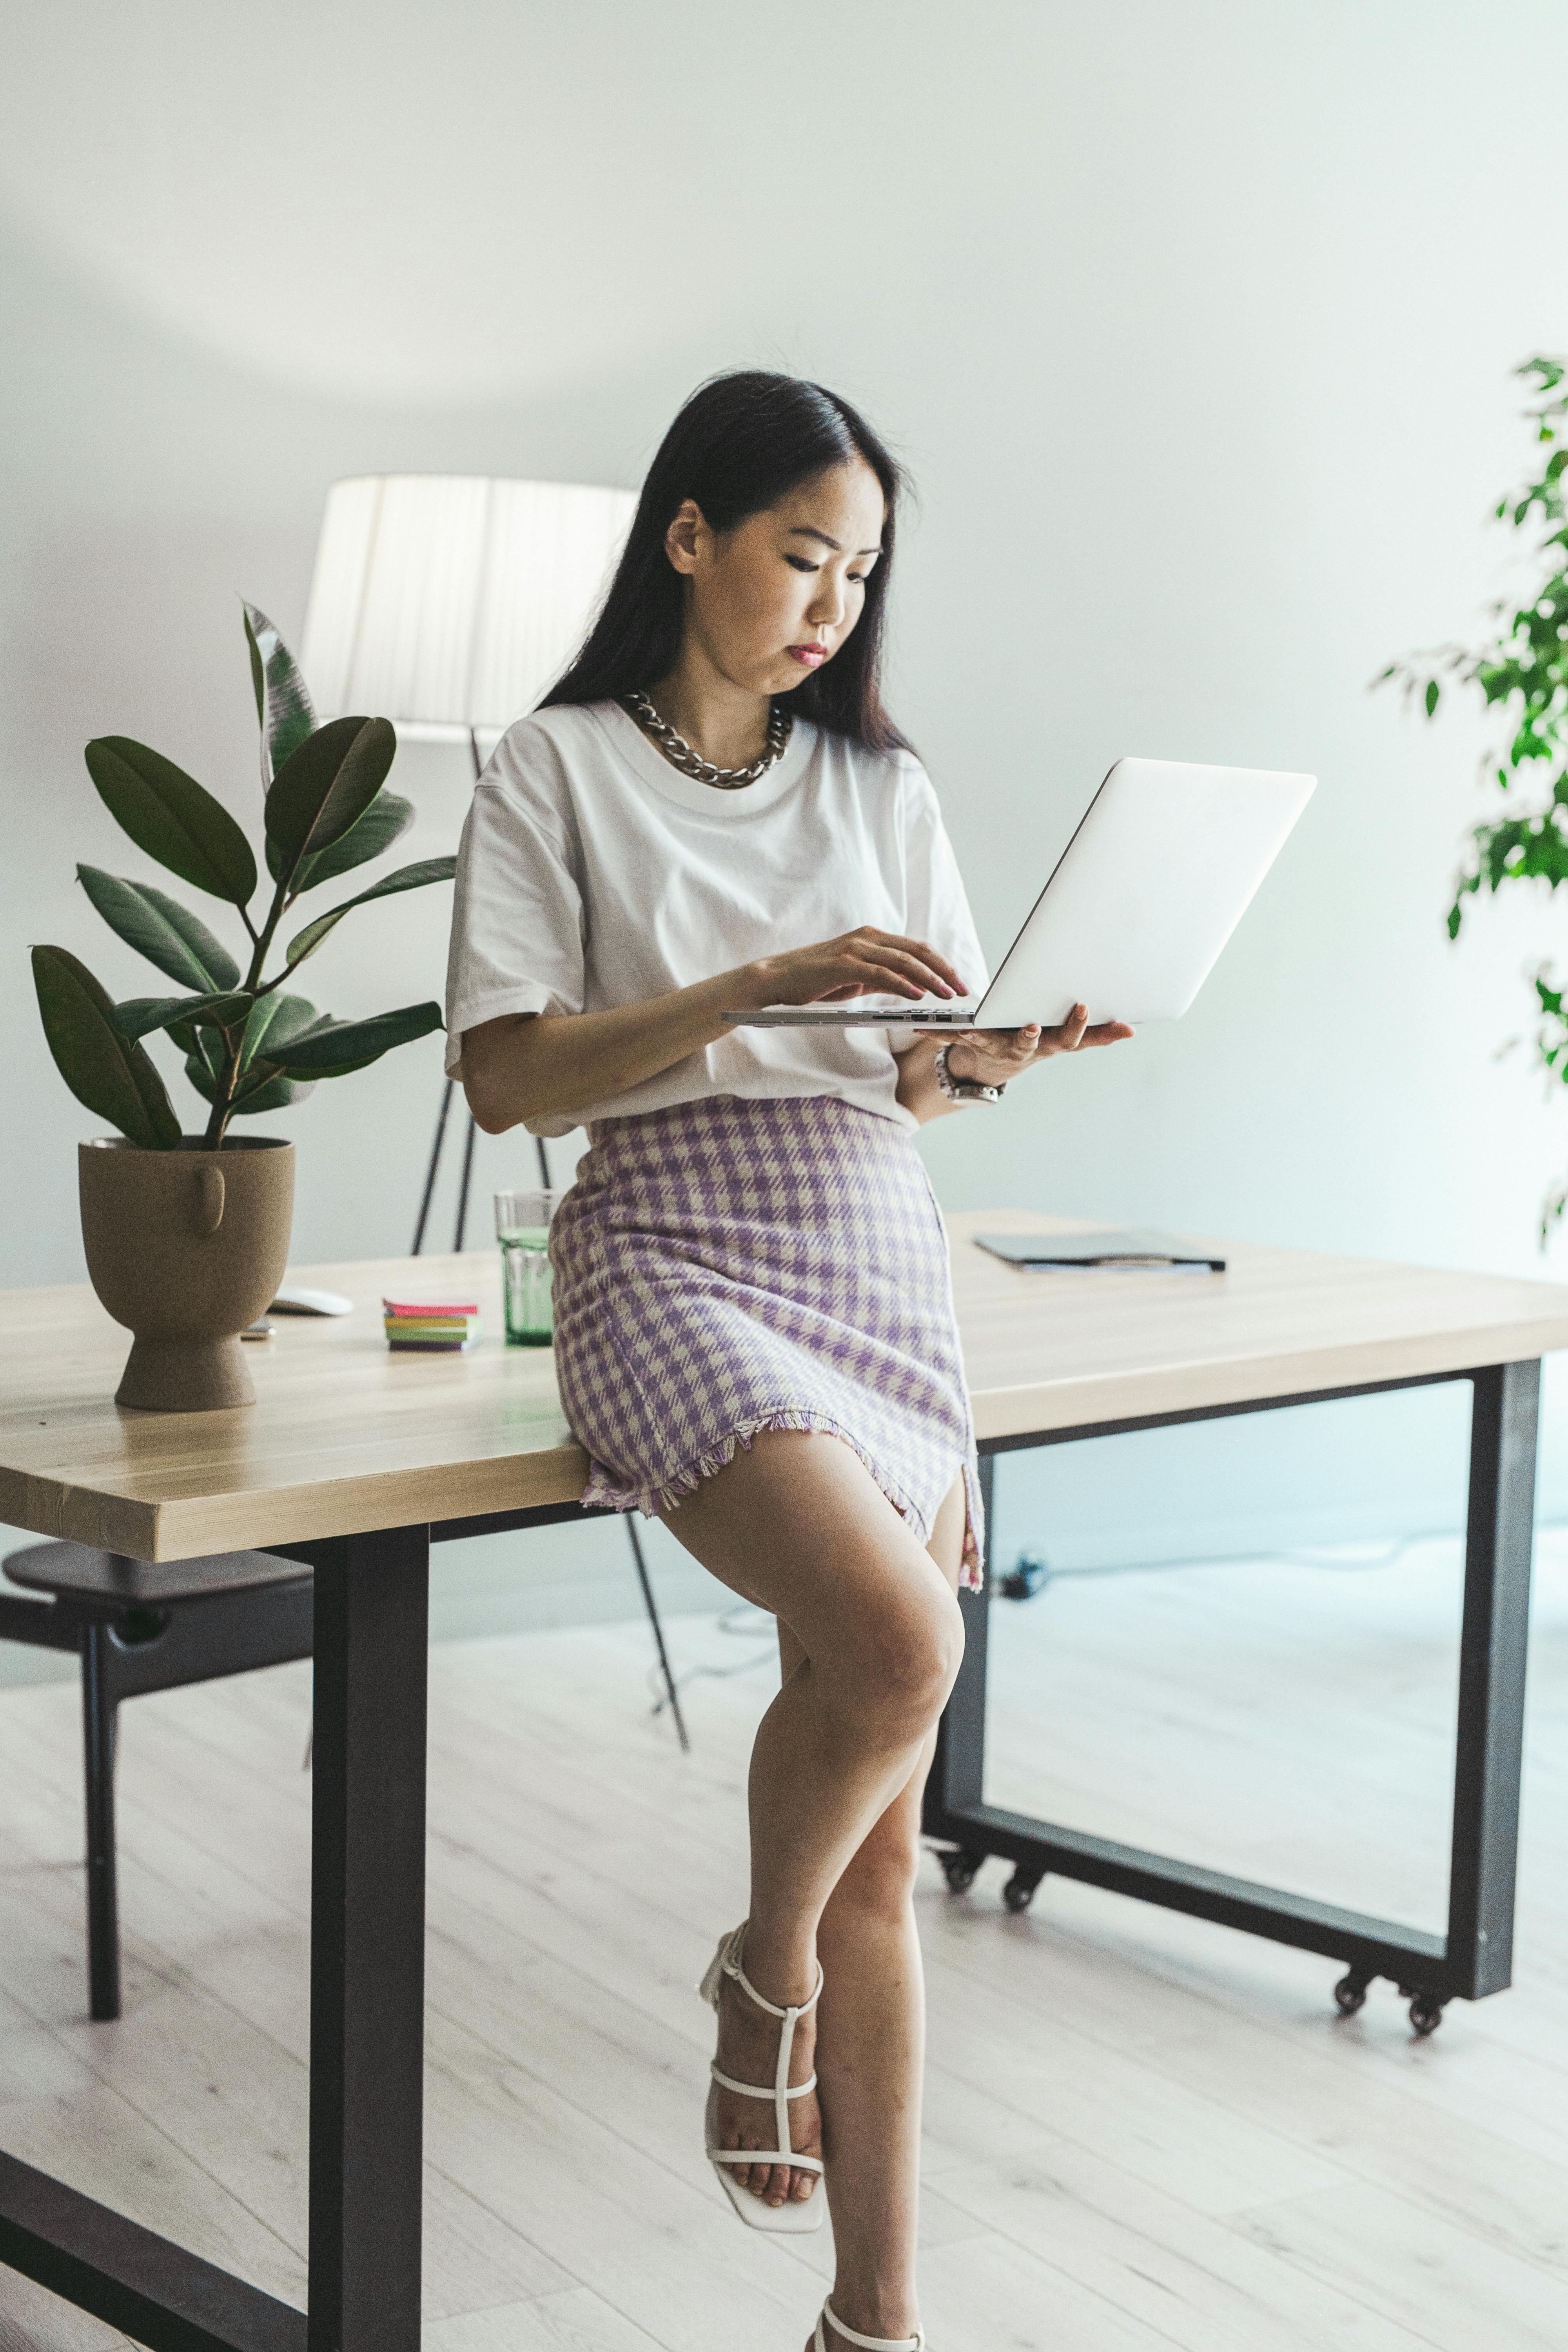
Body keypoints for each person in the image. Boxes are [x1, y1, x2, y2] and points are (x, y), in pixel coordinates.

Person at [446, 370, 1131, 2352]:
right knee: (908, 1648)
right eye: (802, 553)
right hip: (667, 1241)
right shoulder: (554, 767)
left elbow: (903, 1078)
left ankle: (871, 2325)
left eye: (863, 569)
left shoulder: (880, 787)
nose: (833, 602)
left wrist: (985, 1061)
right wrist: (761, 979)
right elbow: (506, 1080)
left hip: (871, 1246)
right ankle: (758, 1975)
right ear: (691, 537)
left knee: (887, 1855)